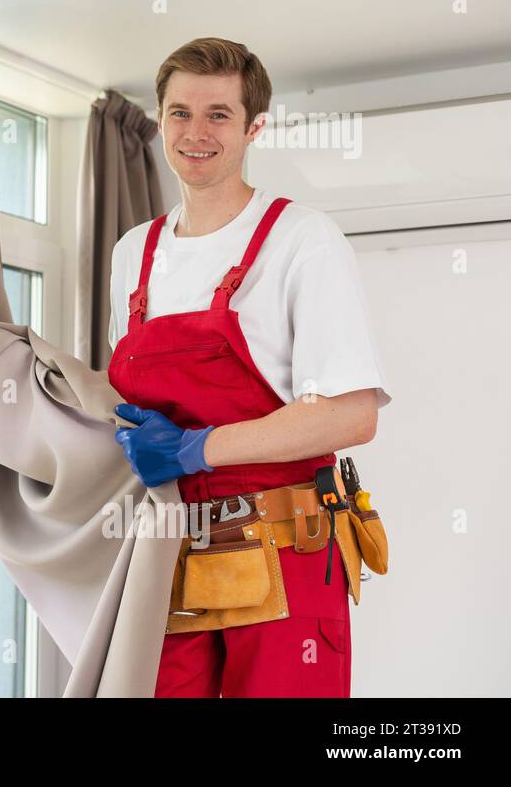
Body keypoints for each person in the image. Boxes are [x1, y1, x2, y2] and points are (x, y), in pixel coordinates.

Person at [105, 37, 391, 697]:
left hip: (285, 552)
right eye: (179, 113)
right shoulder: (133, 253)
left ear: (254, 127)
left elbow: (352, 415)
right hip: (170, 554)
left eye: (218, 115)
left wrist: (198, 448)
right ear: (158, 120)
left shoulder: (300, 239)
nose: (195, 132)